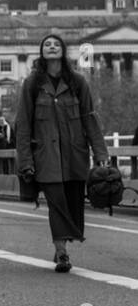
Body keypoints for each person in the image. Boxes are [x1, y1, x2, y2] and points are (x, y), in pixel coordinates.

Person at [14, 34, 110, 272]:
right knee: (56, 203)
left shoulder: (77, 82)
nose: (52, 46)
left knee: (73, 203)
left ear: (63, 51)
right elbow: (24, 123)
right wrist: (25, 160)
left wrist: (100, 152)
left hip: (74, 154)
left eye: (56, 44)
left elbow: (90, 118)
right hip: (45, 156)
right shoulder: (33, 84)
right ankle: (61, 253)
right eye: (47, 44)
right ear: (42, 52)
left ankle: (63, 243)